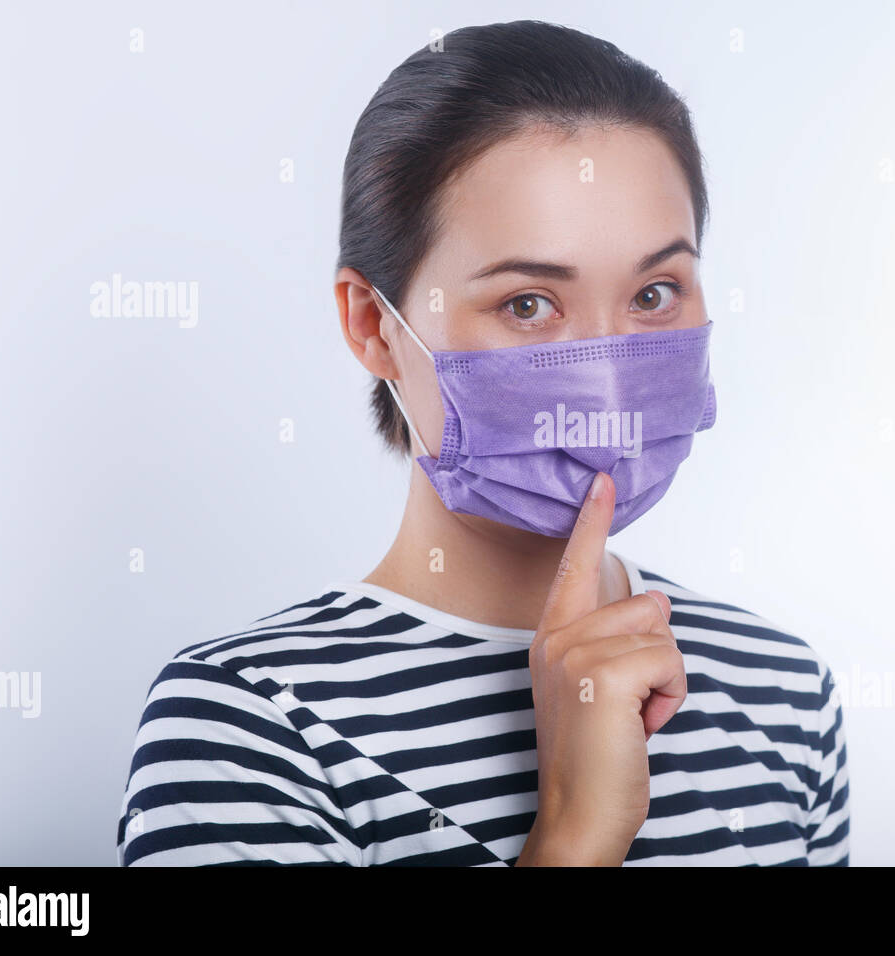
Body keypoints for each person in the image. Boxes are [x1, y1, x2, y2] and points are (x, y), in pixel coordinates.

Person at [116, 19, 848, 866]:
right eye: (528, 303)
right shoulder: (244, 724)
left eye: (654, 293)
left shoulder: (784, 690)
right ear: (374, 326)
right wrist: (573, 833)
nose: (605, 386)